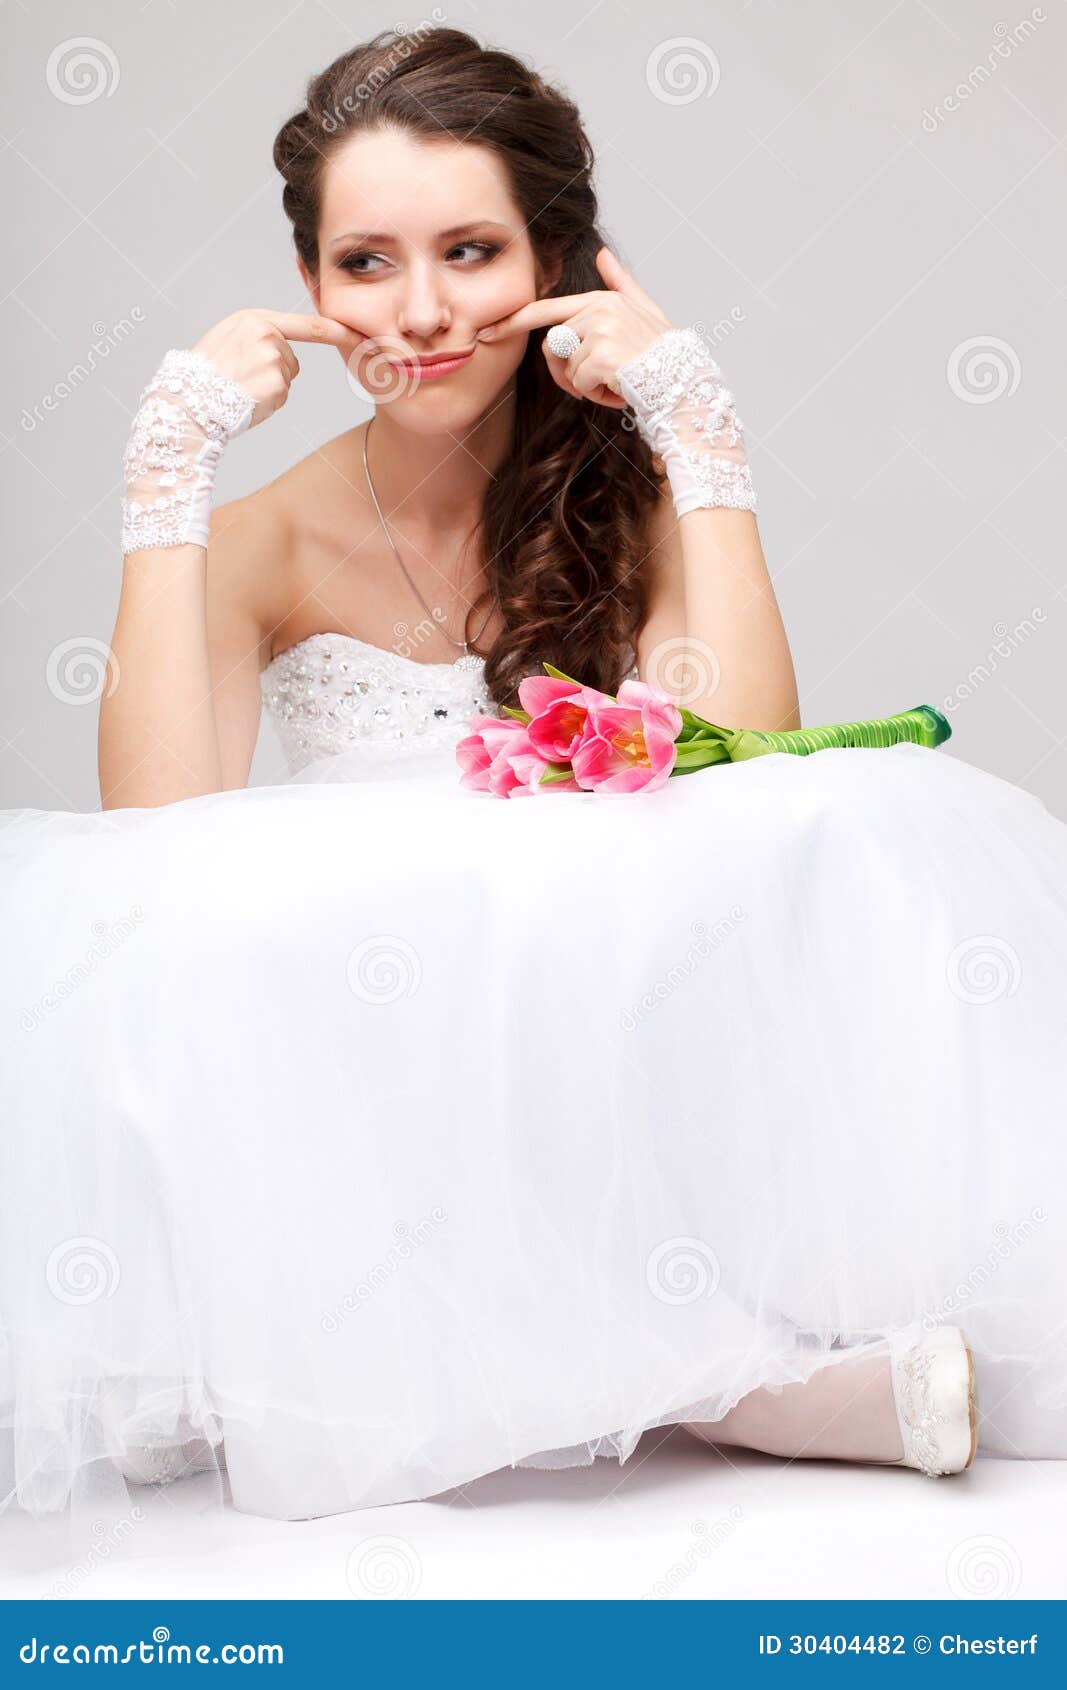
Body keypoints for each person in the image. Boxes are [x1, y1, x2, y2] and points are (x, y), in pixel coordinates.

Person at [2, 26, 1064, 1529]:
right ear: (309, 285)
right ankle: (722, 1387)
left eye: (471, 251)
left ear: (557, 259)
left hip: (607, 1048)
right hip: (369, 1061)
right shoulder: (265, 539)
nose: (420, 313)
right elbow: (156, 859)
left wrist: (700, 431)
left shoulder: (612, 499)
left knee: (843, 808)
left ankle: (634, 1364)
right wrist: (161, 485)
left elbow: (759, 760)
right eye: (364, 262)